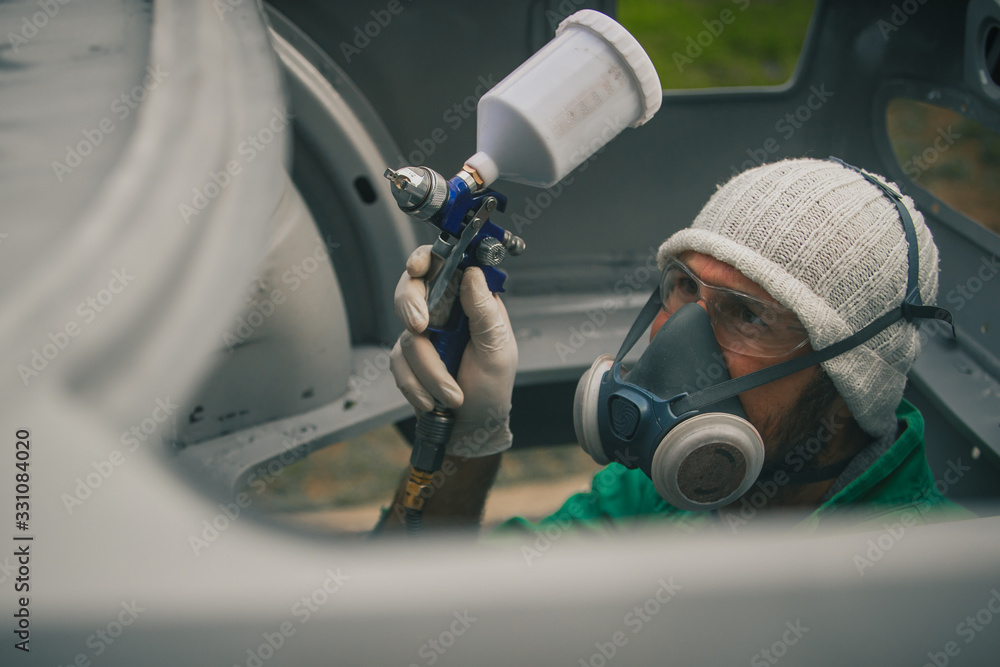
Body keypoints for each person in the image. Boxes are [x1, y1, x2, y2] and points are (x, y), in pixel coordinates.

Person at [375, 157, 972, 535]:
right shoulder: (650, 498)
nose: (677, 337)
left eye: (748, 315)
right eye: (685, 287)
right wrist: (461, 442)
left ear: (850, 387)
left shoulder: (936, 577)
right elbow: (449, 620)